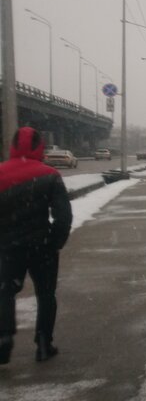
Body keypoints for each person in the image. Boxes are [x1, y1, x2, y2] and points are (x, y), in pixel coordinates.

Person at [0, 127, 73, 364]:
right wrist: (55, 242)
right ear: (39, 147)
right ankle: (43, 343)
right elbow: (63, 216)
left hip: (9, 247)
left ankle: (3, 337)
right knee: (45, 294)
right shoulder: (50, 175)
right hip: (42, 245)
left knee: (5, 292)